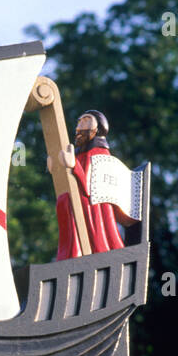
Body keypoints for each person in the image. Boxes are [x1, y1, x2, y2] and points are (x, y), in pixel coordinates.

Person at [49, 110, 125, 260]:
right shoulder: (78, 153)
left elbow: (90, 185)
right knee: (64, 202)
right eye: (79, 122)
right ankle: (70, 254)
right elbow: (69, 183)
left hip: (93, 206)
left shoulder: (100, 152)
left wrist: (73, 165)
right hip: (76, 203)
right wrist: (56, 170)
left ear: (97, 128)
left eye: (86, 121)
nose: (80, 126)